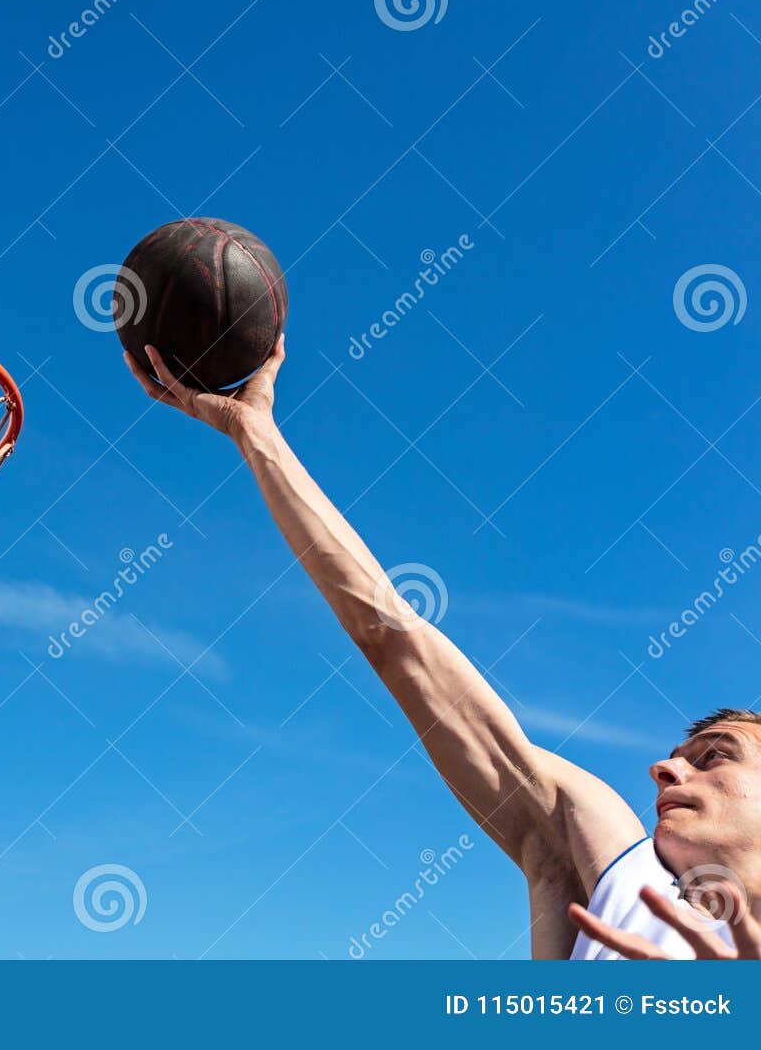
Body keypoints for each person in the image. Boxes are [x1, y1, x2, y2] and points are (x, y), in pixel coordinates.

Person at [126, 337, 761, 960]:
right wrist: (254, 431)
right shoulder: (625, 880)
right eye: (681, 756)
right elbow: (393, 638)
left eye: (715, 757)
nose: (667, 769)